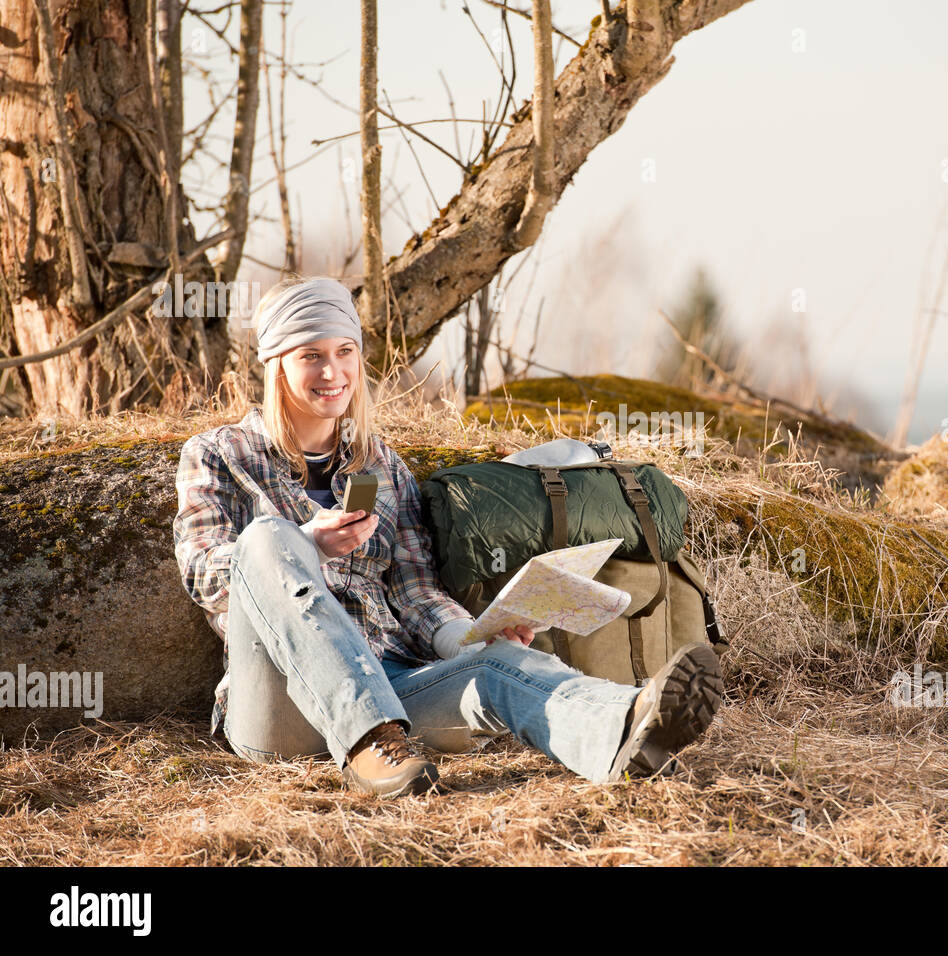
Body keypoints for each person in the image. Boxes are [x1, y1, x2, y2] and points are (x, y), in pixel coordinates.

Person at [172, 275, 722, 797]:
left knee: (499, 663)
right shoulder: (220, 455)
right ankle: (367, 740)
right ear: (275, 365)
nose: (332, 371)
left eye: (345, 351)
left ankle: (624, 727)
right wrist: (305, 544)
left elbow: (415, 592)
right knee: (269, 538)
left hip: (394, 690)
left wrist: (471, 635)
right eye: (311, 355)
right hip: (281, 706)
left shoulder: (381, 466)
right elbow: (202, 572)